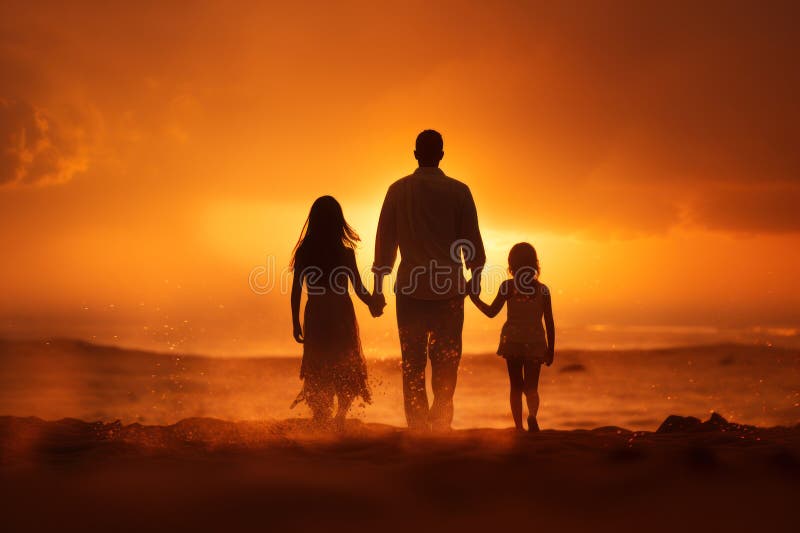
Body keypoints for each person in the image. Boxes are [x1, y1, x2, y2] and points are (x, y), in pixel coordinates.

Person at [372, 130, 485, 430]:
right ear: (442, 155)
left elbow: (386, 243)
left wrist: (377, 290)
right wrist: (476, 276)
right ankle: (441, 419)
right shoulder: (460, 191)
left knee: (412, 364)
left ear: (415, 154)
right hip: (449, 289)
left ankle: (418, 428)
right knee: (447, 360)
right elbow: (471, 242)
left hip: (411, 288)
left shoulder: (398, 189)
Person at [290, 196, 378, 428]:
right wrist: (373, 302)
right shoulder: (345, 253)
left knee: (319, 364)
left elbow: (296, 290)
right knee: (344, 363)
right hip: (340, 313)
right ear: (339, 222)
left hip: (317, 312)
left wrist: (295, 322)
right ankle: (339, 416)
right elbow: (359, 289)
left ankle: (321, 417)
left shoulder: (305, 251)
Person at [469, 242, 555, 432]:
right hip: (535, 343)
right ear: (535, 264)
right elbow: (549, 322)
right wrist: (551, 350)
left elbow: (491, 312)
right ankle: (532, 415)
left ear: (511, 265)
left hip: (513, 342)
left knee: (516, 387)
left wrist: (474, 298)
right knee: (531, 387)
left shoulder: (507, 287)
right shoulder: (543, 291)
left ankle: (518, 427)